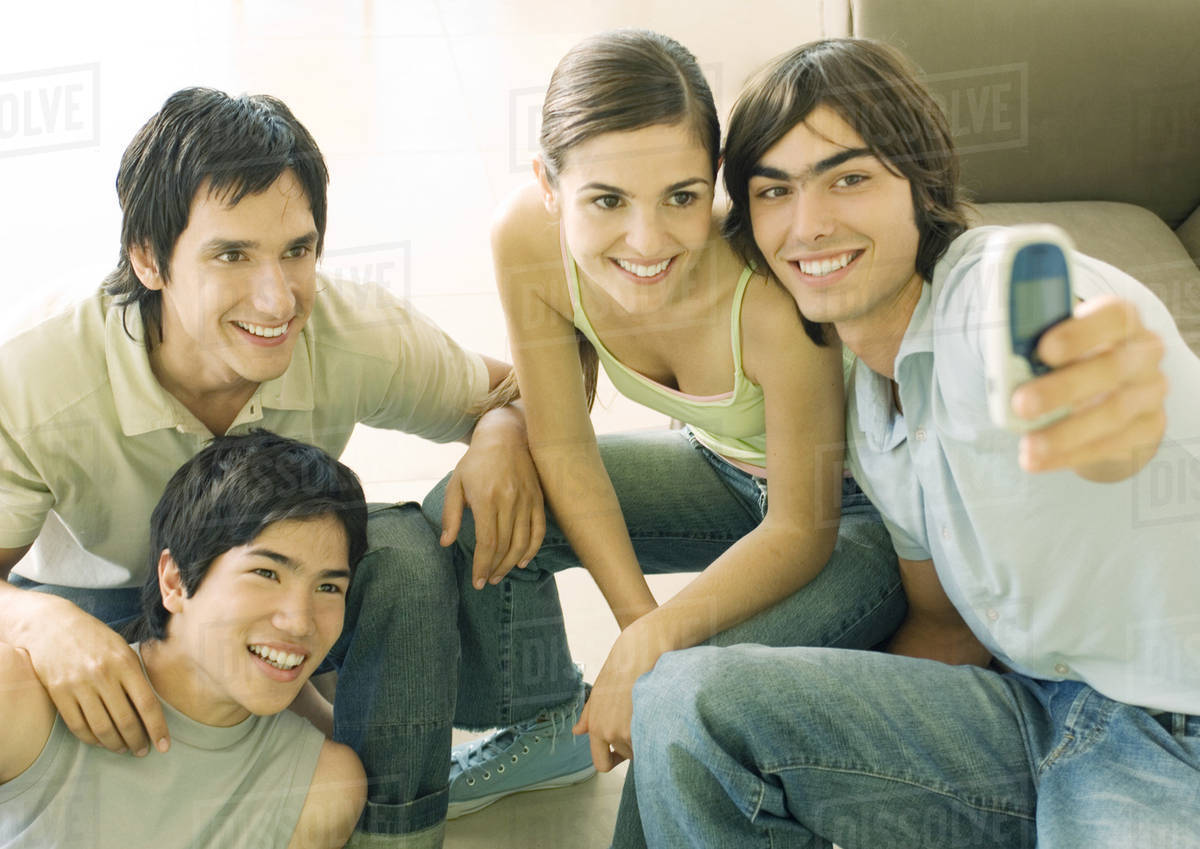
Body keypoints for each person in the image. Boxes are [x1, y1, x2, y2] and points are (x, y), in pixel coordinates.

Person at [632, 38, 1199, 847]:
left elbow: (1027, 305)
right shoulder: (870, 410)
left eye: (849, 178)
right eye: (774, 190)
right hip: (1028, 718)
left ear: (920, 183)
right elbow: (944, 630)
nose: (809, 222)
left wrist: (1092, 386)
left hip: (1175, 735)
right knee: (688, 702)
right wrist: (834, 739)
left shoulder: (985, 292)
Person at [0, 87, 541, 849]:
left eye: (297, 250)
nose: (276, 296)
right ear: (149, 258)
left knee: (407, 559)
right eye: (231, 254)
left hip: (265, 584)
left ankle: (392, 833)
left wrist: (498, 433)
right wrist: (33, 618)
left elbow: (513, 390)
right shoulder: (35, 370)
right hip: (90, 598)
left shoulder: (352, 332)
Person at [421, 30, 905, 837]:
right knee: (468, 511)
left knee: (676, 706)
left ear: (715, 181)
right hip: (718, 472)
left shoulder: (764, 293)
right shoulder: (525, 241)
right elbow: (563, 446)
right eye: (607, 200)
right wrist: (639, 628)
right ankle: (556, 725)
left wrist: (658, 654)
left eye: (682, 197)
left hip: (849, 519)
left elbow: (800, 527)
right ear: (548, 184)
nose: (648, 242)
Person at [1, 431, 368, 848]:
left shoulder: (325, 786)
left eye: (329, 588)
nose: (300, 623)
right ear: (174, 580)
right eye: (266, 574)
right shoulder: (20, 698)